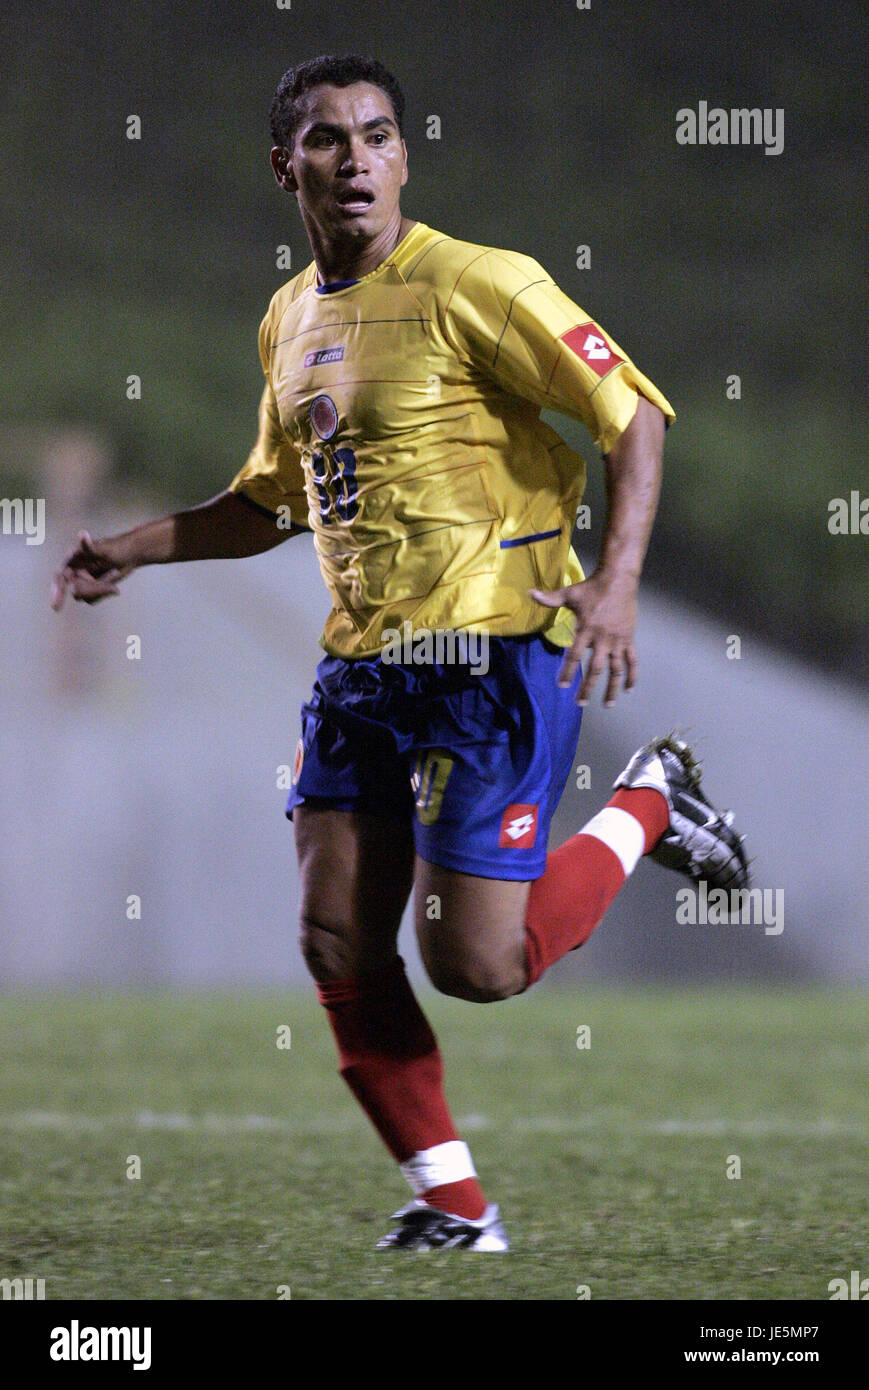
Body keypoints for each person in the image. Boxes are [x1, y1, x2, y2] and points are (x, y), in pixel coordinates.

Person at [51, 53, 748, 1252]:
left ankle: (646, 802)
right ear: (289, 167)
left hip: (489, 664)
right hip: (363, 672)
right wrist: (134, 548)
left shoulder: (483, 283)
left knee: (478, 967)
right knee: (331, 934)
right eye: (328, 139)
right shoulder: (289, 316)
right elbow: (270, 503)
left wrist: (618, 583)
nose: (357, 157)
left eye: (377, 135)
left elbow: (633, 414)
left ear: (403, 156)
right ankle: (452, 1202)